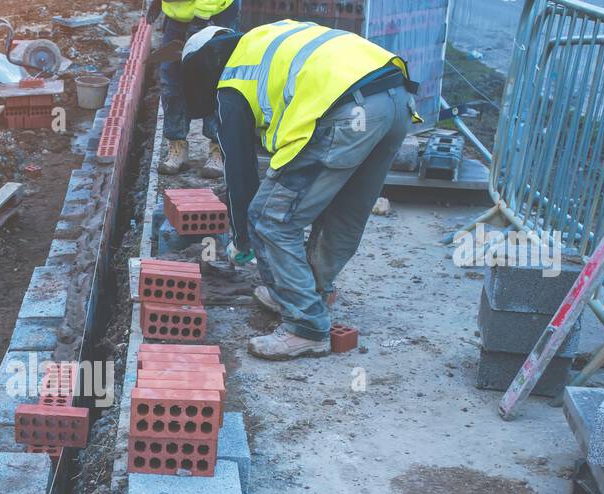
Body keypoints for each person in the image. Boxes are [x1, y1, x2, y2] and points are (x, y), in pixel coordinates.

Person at [177, 22, 420, 360]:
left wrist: (243, 240)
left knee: (269, 218)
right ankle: (309, 292)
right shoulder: (264, 41)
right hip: (396, 99)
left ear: (202, 71)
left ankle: (305, 326)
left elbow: (239, 170)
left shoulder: (231, 82)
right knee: (345, 212)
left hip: (345, 110)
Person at [151, 0, 241, 177]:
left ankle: (218, 149)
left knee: (215, 79)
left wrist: (201, 17)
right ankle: (177, 146)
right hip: (178, 16)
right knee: (172, 81)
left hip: (216, 13)